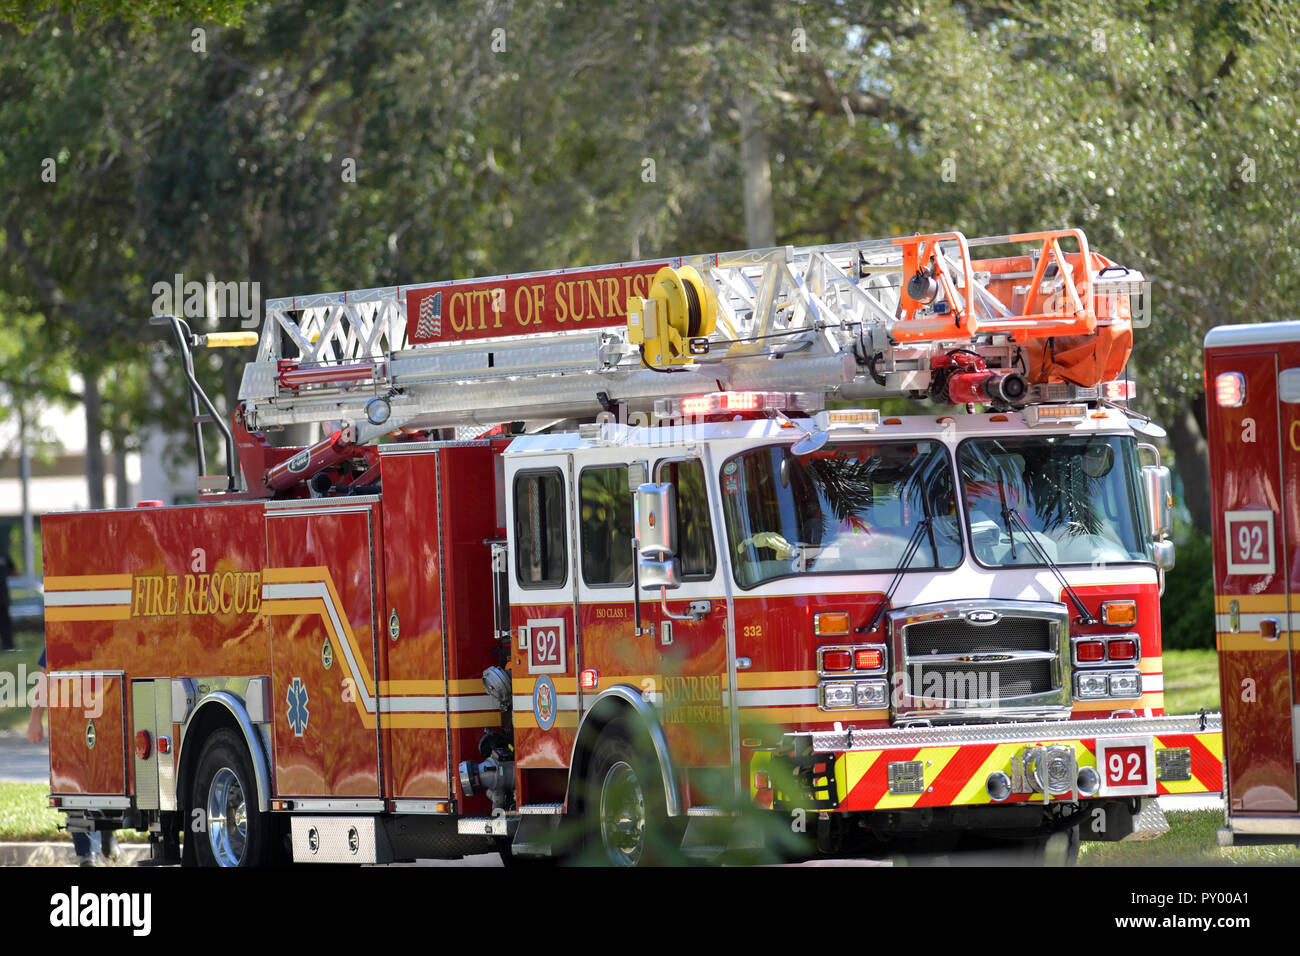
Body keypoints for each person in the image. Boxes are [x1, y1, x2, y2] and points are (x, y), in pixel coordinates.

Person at [26, 648, 119, 865]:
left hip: (109, 713)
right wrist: (35, 719)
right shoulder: (64, 631)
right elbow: (46, 675)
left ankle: (107, 834)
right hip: (70, 718)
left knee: (108, 777)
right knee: (76, 783)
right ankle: (88, 853)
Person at [0, 555, 13, 651]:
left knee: (5, 624)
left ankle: (8, 646)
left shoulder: (4, 557)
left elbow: (15, 572)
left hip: (3, 598)